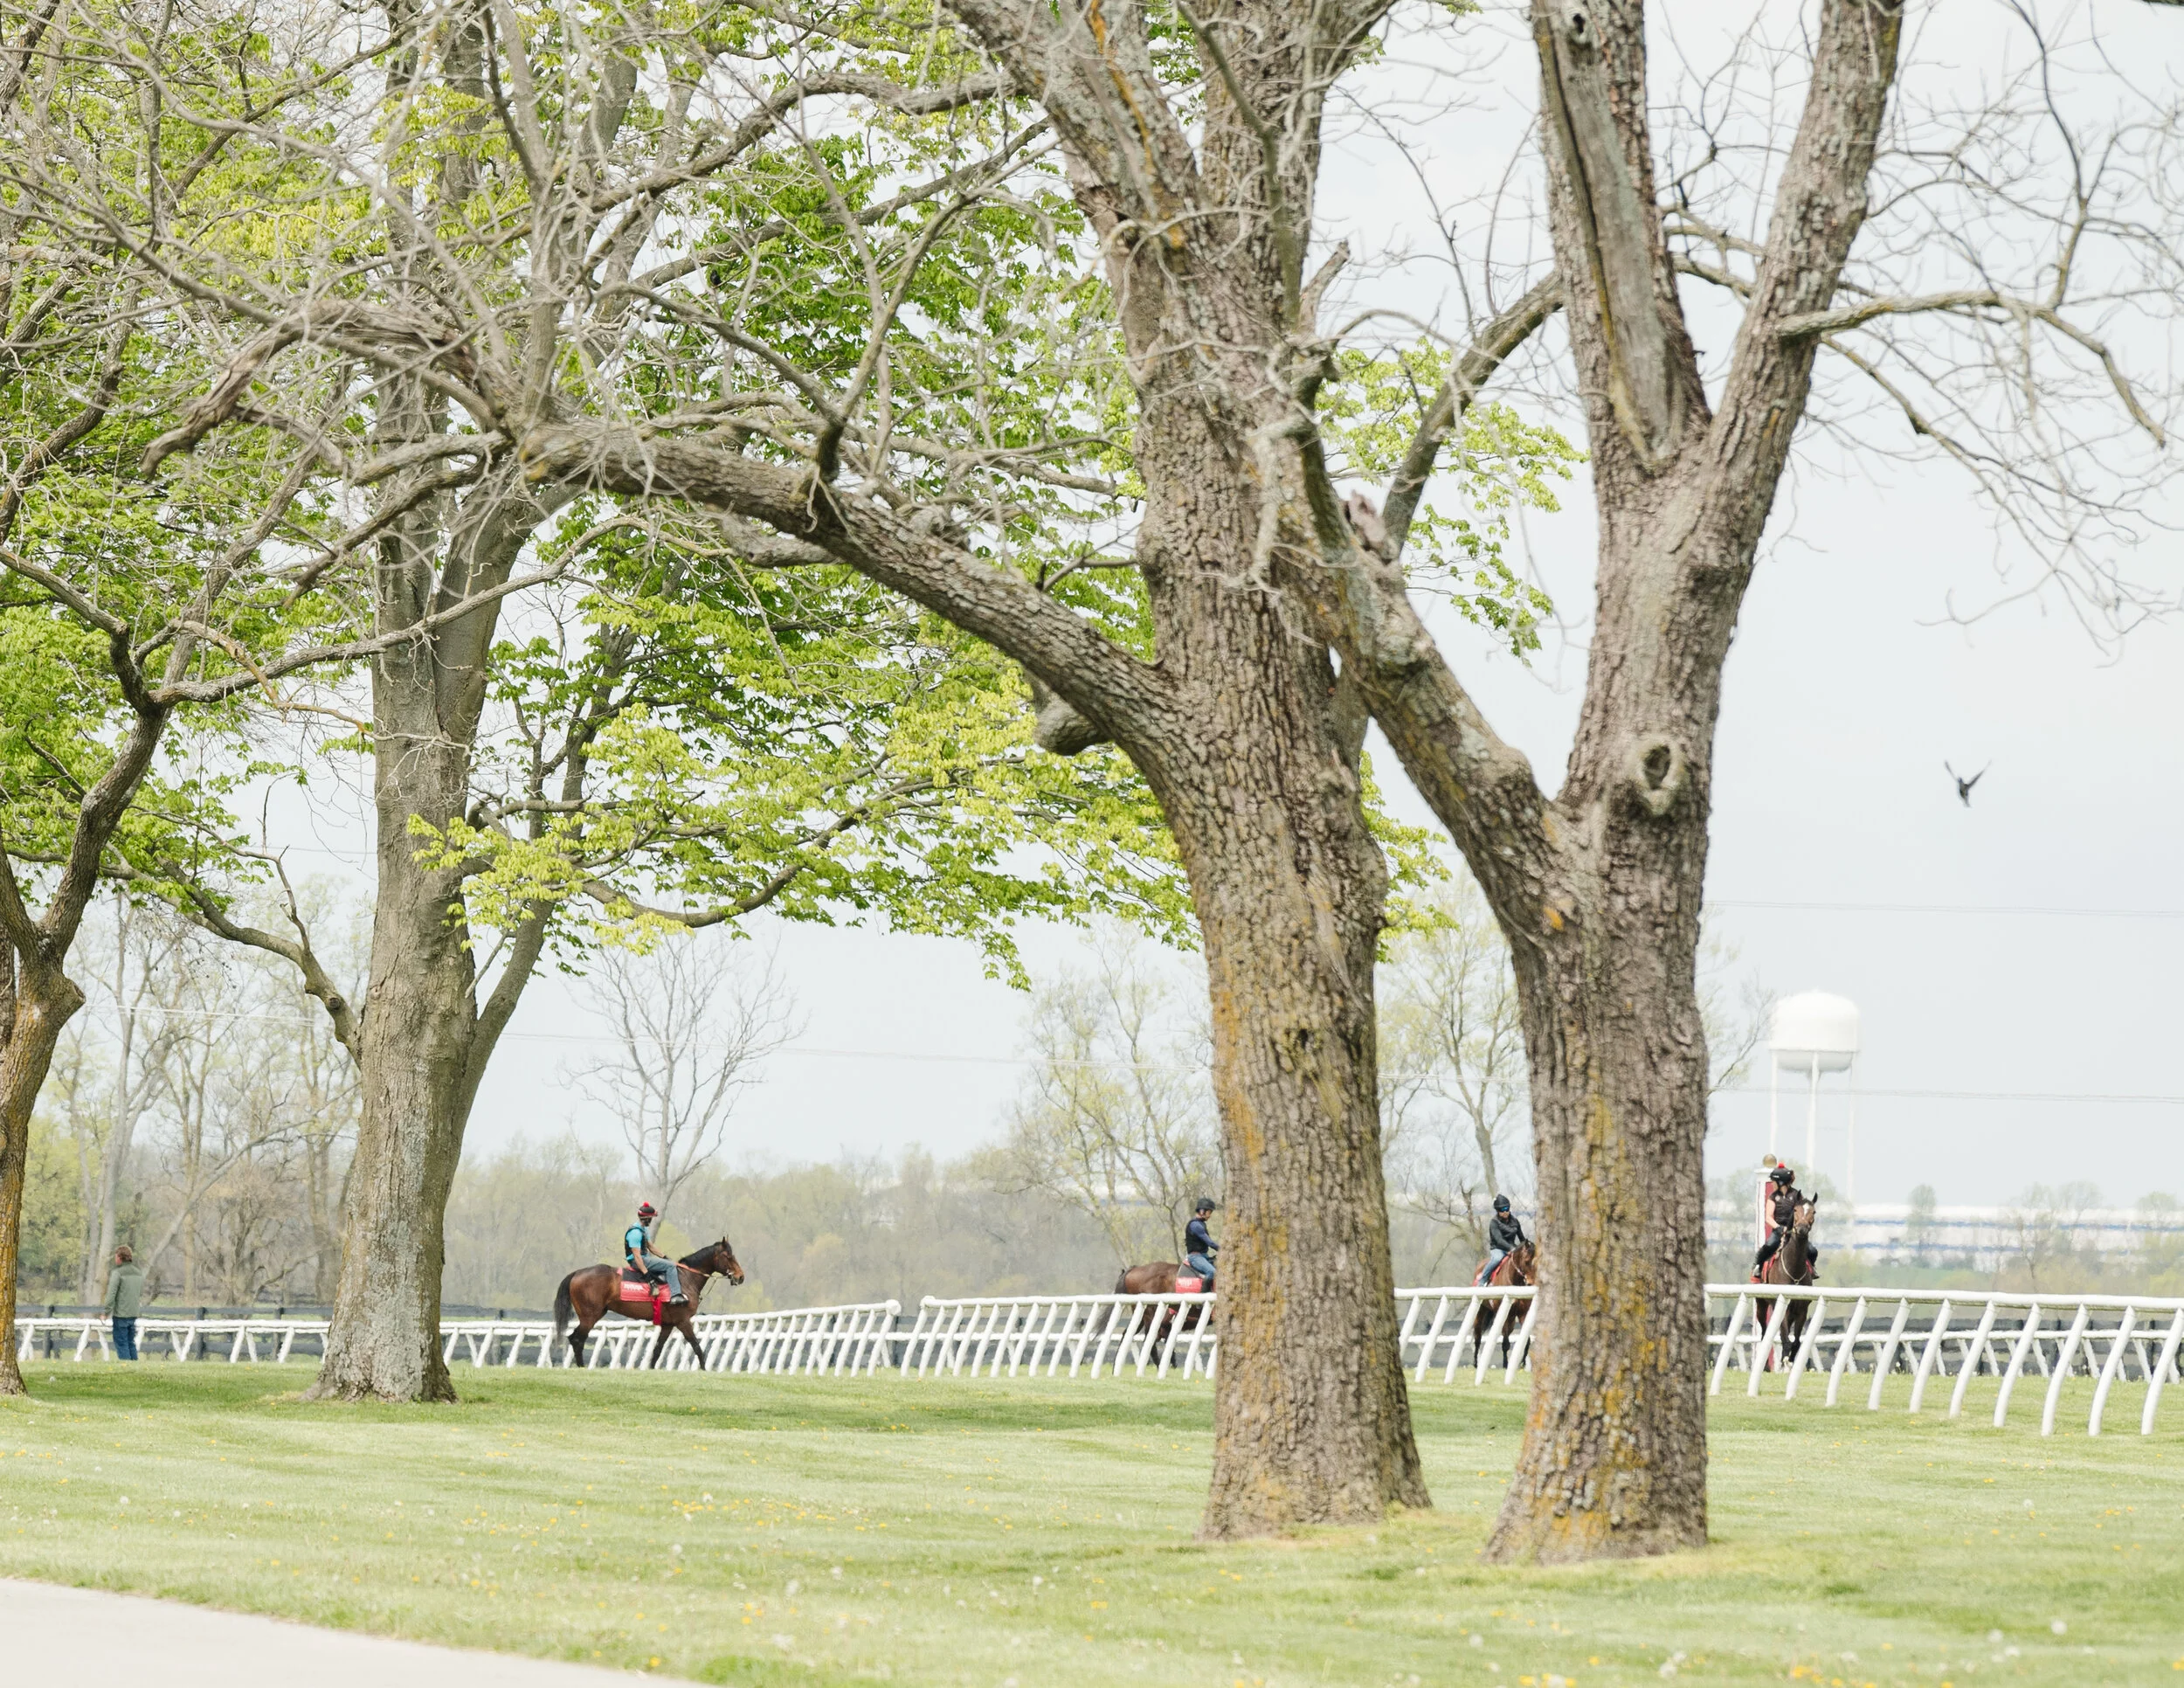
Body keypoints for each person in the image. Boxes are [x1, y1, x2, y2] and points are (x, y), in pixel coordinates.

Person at [1752, 1166, 1819, 1276]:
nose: (1772, 1183)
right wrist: (1778, 1228)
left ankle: (1812, 1268)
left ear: (1781, 1182)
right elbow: (1768, 1217)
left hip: (1794, 1229)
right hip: (1778, 1230)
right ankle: (1758, 1268)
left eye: (1773, 1181)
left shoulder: (1796, 1195)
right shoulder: (1773, 1197)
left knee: (1812, 1251)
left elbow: (1802, 1211)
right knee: (1768, 1246)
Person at [623, 1201, 687, 1304]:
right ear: (647, 1218)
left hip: (644, 1258)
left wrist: (665, 1257)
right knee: (670, 1267)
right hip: (638, 1260)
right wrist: (646, 1273)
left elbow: (651, 1247)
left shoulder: (643, 1229)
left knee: (669, 1263)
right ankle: (675, 1295)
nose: (652, 1220)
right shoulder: (635, 1233)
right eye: (651, 1218)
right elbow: (637, 1257)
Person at [103, 1246, 144, 1361]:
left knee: (121, 1343)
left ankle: (125, 1366)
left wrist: (106, 1312)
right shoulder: (138, 1273)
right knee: (131, 1342)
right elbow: (140, 1292)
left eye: (116, 1256)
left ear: (120, 1257)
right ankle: (134, 1366)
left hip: (121, 1315)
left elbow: (111, 1295)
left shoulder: (118, 1273)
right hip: (133, 1313)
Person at [1481, 1195, 1528, 1283]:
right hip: (1498, 1248)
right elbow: (1499, 1240)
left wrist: (1527, 1247)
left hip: (1512, 1248)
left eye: (1507, 1208)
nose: (1505, 1212)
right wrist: (1511, 1248)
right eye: (1502, 1210)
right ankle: (1483, 1280)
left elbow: (1521, 1238)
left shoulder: (1515, 1221)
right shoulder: (1494, 1223)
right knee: (1497, 1259)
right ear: (1498, 1211)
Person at [1183, 1197, 1219, 1286]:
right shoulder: (1195, 1225)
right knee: (1212, 1272)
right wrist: (1222, 1250)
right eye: (1209, 1212)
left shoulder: (1201, 1224)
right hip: (1195, 1257)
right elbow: (1210, 1243)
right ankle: (1203, 1296)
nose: (1210, 1215)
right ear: (1202, 1211)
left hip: (1203, 1256)